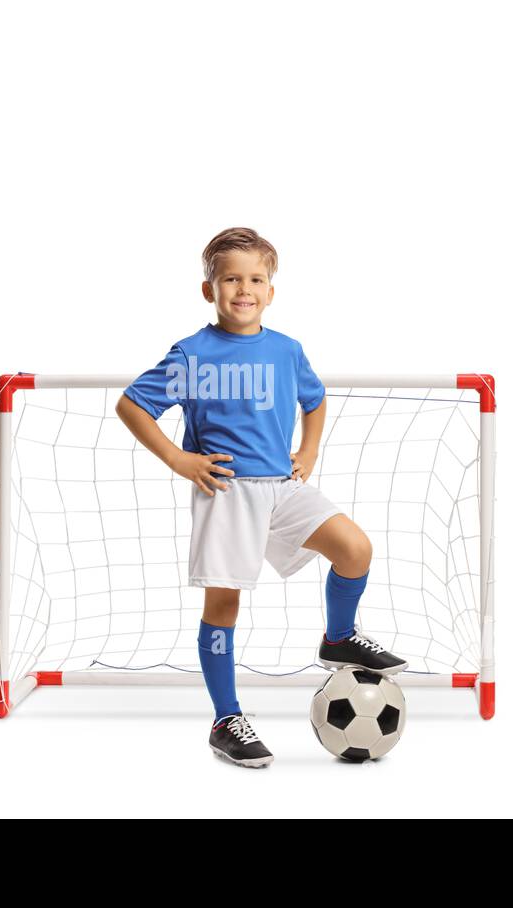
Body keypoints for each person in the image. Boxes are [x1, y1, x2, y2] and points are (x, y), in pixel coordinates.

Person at [115, 227, 406, 768]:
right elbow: (132, 406)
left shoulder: (286, 350)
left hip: (281, 485)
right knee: (225, 604)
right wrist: (178, 459)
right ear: (209, 290)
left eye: (255, 279)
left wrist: (309, 449)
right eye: (230, 279)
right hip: (225, 492)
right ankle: (227, 718)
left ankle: (339, 637)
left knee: (354, 549)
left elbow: (314, 400)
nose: (243, 289)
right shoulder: (190, 354)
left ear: (271, 290)